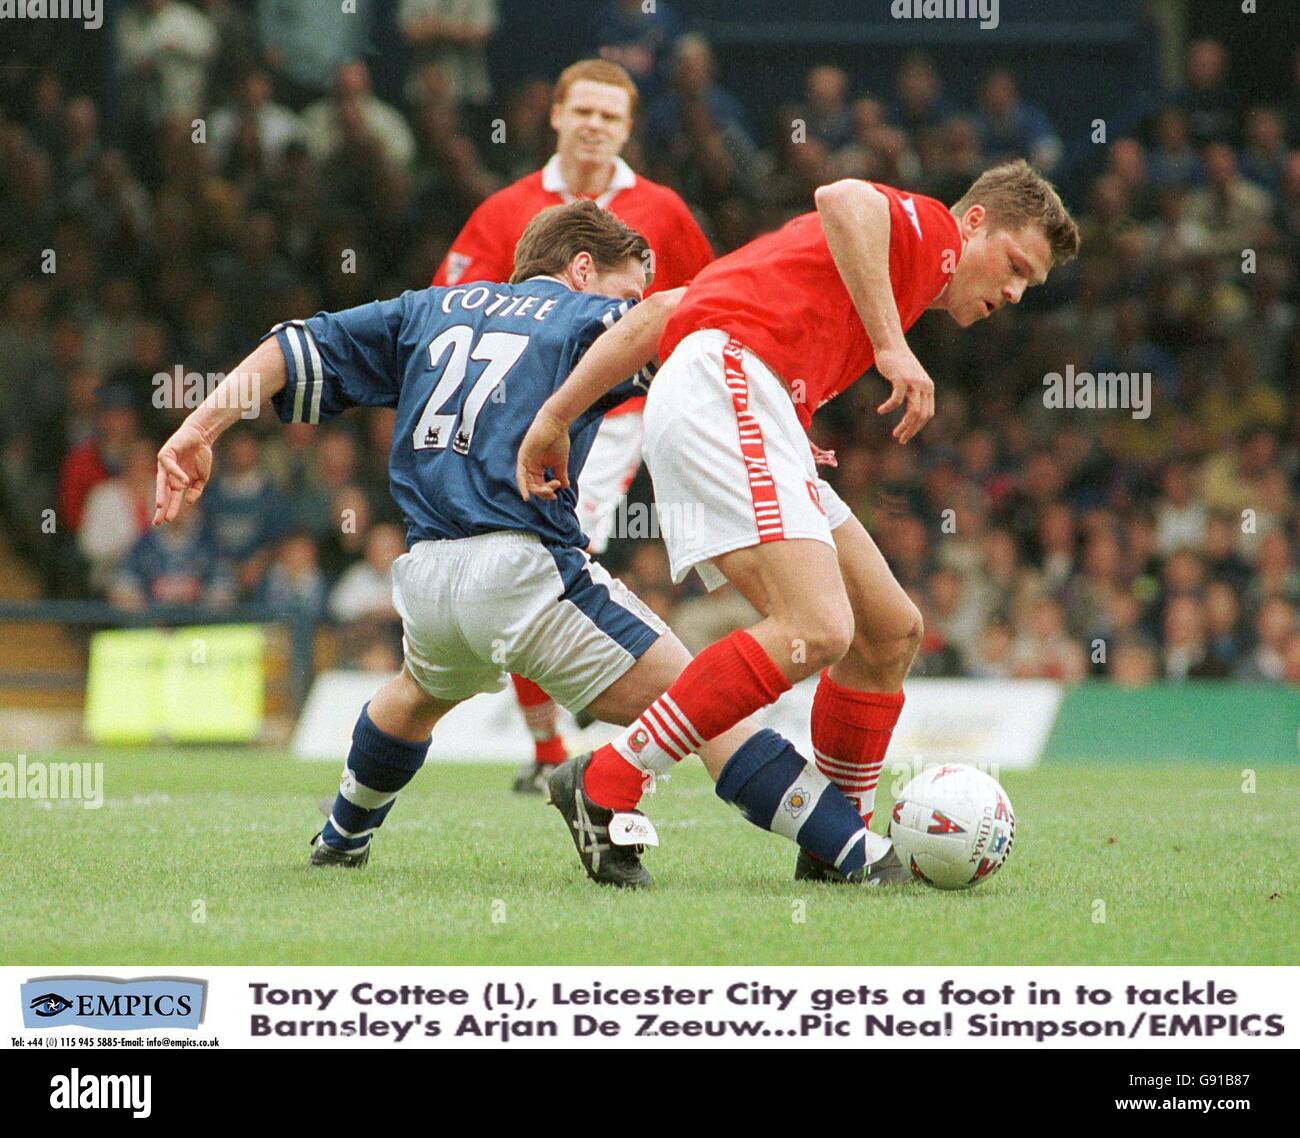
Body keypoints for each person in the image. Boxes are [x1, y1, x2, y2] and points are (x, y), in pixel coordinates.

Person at [155, 201, 892, 890]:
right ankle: (857, 853)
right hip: (524, 568)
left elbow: (294, 344)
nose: (632, 304)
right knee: (705, 708)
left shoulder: (428, 308)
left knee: (418, 695)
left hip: (427, 576)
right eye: (626, 285)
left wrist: (196, 429)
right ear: (580, 268)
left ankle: (343, 834)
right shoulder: (588, 315)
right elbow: (672, 312)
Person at [519, 160, 1080, 882]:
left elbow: (657, 315)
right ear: (973, 223)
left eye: (1027, 285)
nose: (1012, 291)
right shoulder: (931, 232)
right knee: (817, 628)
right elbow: (843, 196)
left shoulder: (830, 269)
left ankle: (835, 844)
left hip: (745, 396)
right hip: (728, 384)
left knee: (888, 628)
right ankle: (607, 779)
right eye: (1013, 265)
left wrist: (555, 416)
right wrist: (889, 345)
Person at [431, 58, 714, 794]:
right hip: (522, 420)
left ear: (627, 128)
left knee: (548, 556)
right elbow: (450, 305)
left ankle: (579, 741)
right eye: (581, 110)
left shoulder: (664, 209)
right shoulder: (507, 208)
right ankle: (555, 749)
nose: (594, 125)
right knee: (533, 558)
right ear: (555, 114)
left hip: (620, 415)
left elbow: (708, 306)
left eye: (609, 116)